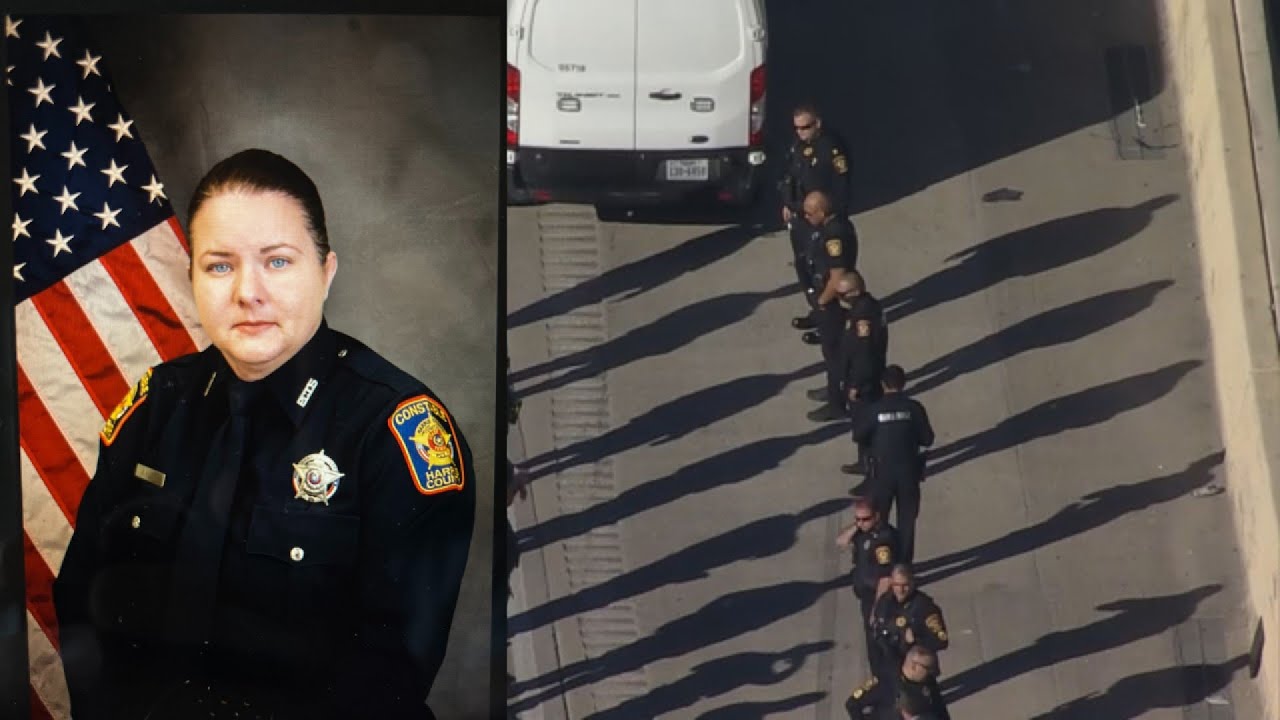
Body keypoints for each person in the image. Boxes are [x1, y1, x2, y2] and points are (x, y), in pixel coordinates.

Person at [53, 149, 476, 720]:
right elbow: (83, 597)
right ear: (194, 279)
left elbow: (387, 678)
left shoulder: (392, 433)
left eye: (277, 262)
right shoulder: (157, 405)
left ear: (326, 273)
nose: (247, 292)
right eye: (220, 265)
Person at [779, 103, 852, 343]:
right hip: (800, 217)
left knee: (822, 272)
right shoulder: (798, 144)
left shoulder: (831, 148)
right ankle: (816, 311)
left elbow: (841, 188)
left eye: (805, 127)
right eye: (797, 128)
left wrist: (830, 219)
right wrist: (788, 204)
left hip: (819, 219)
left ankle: (830, 323)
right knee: (803, 267)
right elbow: (791, 174)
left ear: (817, 124)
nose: (800, 132)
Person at [851, 365, 934, 563]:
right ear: (903, 384)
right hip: (909, 474)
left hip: (882, 474)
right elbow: (927, 439)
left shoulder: (875, 409)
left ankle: (883, 563)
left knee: (879, 522)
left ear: (882, 384)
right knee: (907, 523)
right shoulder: (914, 408)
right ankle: (904, 567)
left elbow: (858, 435)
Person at [800, 190, 858, 421]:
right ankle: (832, 388)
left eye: (809, 213)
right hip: (826, 295)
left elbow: (837, 274)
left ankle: (837, 403)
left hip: (830, 300)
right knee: (828, 350)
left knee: (834, 352)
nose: (805, 217)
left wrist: (822, 302)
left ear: (822, 212)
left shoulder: (835, 235)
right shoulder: (830, 226)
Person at [836, 497, 900, 676]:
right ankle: (880, 681)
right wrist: (857, 526)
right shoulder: (863, 532)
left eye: (866, 519)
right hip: (866, 595)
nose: (861, 523)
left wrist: (876, 609)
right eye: (857, 518)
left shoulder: (883, 541)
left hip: (879, 597)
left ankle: (885, 683)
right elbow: (841, 541)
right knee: (872, 643)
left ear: (877, 516)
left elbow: (885, 577)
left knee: (880, 645)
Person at [835, 271, 888, 471]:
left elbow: (864, 355)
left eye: (843, 294)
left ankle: (869, 467)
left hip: (865, 380)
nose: (841, 298)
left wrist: (856, 385)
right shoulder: (866, 306)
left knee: (864, 424)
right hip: (868, 376)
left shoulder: (863, 315)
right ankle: (863, 462)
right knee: (862, 423)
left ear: (856, 291)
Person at [867, 565, 949, 684]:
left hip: (917, 669)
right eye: (896, 585)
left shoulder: (924, 607)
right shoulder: (885, 602)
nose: (900, 590)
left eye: (905, 585)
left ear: (912, 583)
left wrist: (916, 639)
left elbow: (941, 641)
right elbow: (877, 630)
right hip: (892, 665)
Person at [845, 646, 950, 720]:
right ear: (914, 667)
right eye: (929, 668)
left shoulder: (927, 680)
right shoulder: (886, 681)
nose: (932, 672)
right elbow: (852, 704)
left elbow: (939, 707)